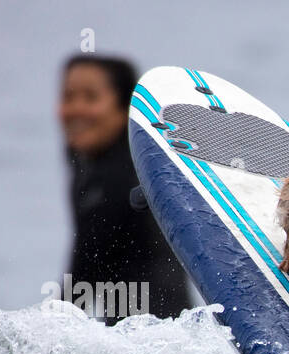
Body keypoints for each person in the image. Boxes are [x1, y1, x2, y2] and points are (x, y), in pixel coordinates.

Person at [59, 54, 191, 323]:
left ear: (123, 108)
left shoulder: (122, 174)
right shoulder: (92, 161)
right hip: (153, 327)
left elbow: (85, 267)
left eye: (91, 98)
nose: (76, 109)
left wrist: (52, 331)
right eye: (68, 97)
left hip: (148, 329)